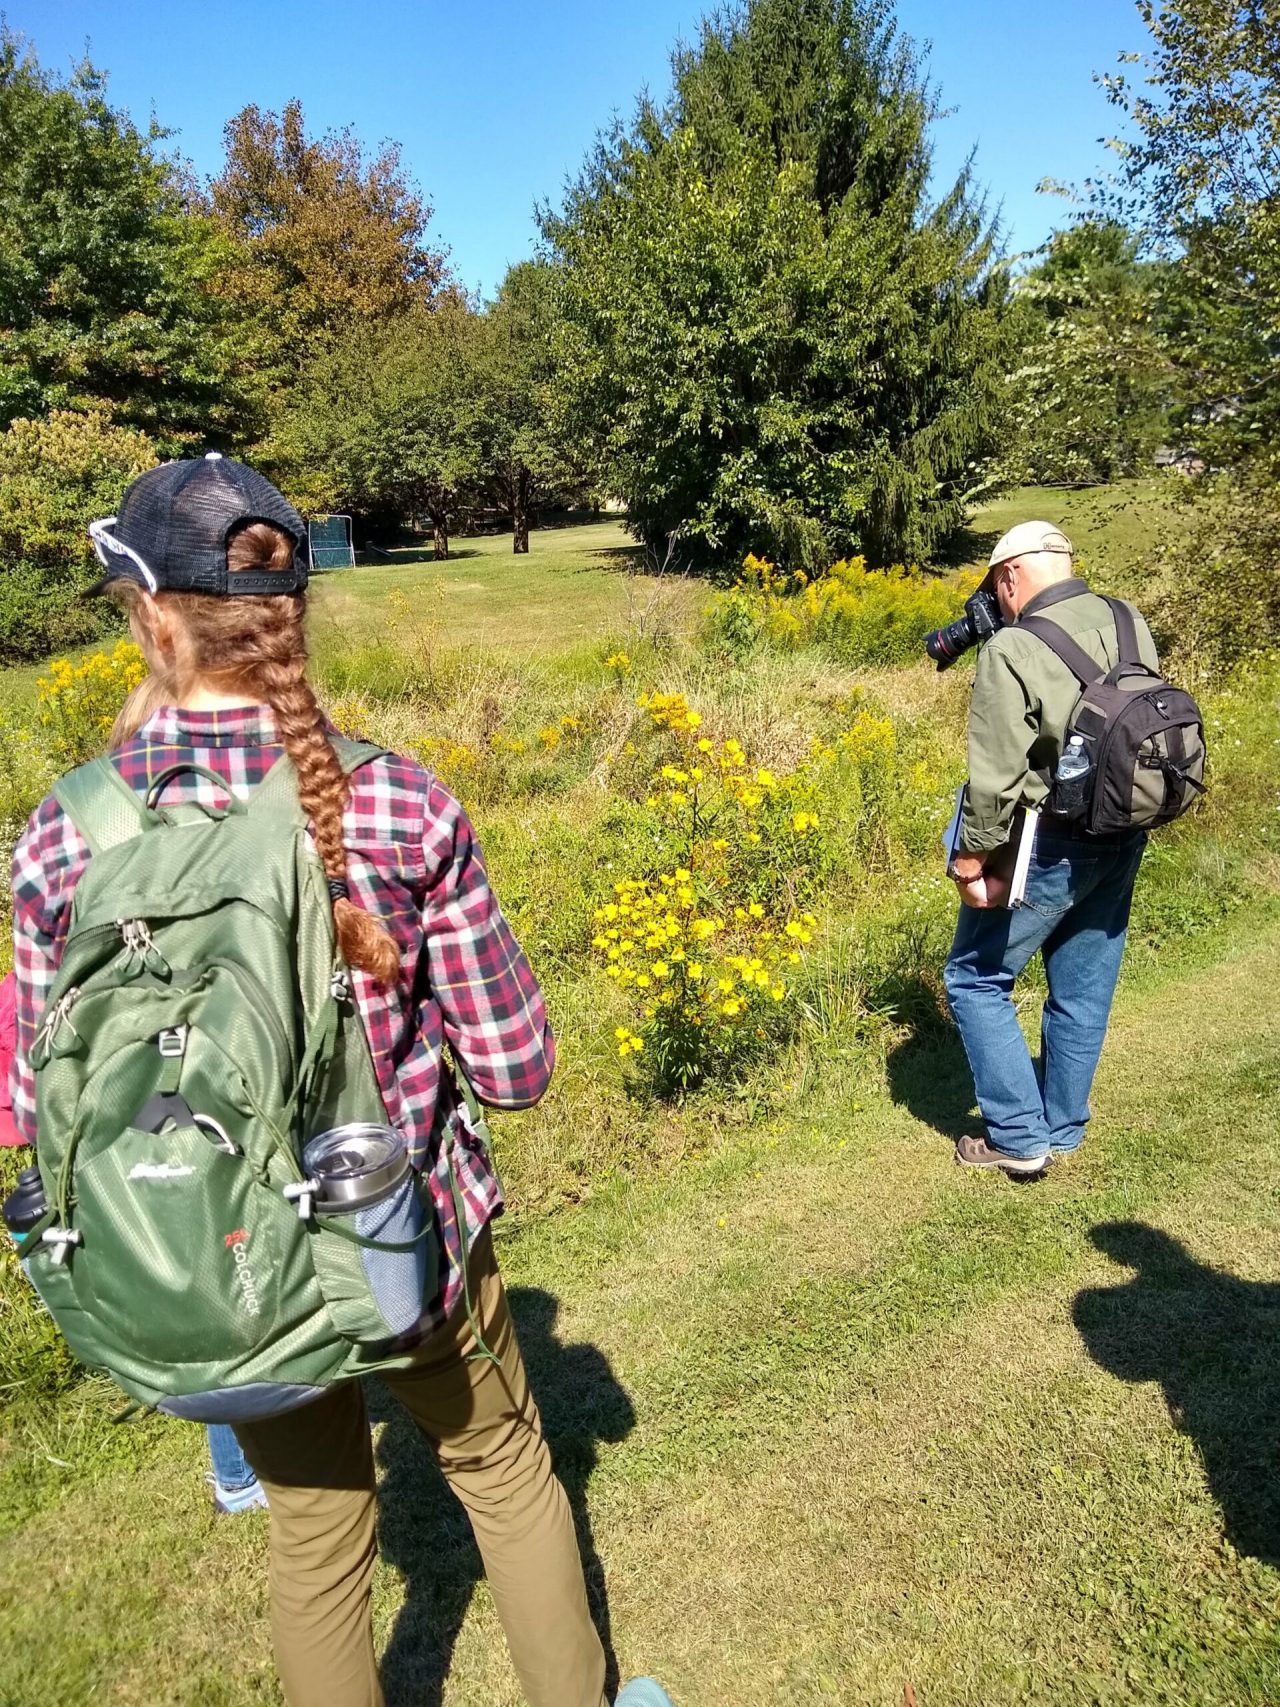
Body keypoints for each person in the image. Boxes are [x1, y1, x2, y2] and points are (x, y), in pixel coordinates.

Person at [9, 453, 672, 1707]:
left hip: (226, 1253)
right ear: (292, 610)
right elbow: (518, 1066)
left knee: (315, 1539)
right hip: (402, 1232)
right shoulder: (396, 803)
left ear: (152, 619)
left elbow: (29, 1097)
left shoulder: (62, 830)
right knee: (502, 1468)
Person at [944, 521, 1157, 1179]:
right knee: (1083, 985)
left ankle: (1018, 1136)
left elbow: (996, 774)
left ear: (1009, 577)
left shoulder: (1012, 647)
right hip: (1125, 828)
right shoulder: (1128, 619)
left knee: (974, 977)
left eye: (996, 588)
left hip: (1054, 840)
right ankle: (1061, 1125)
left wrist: (971, 858)